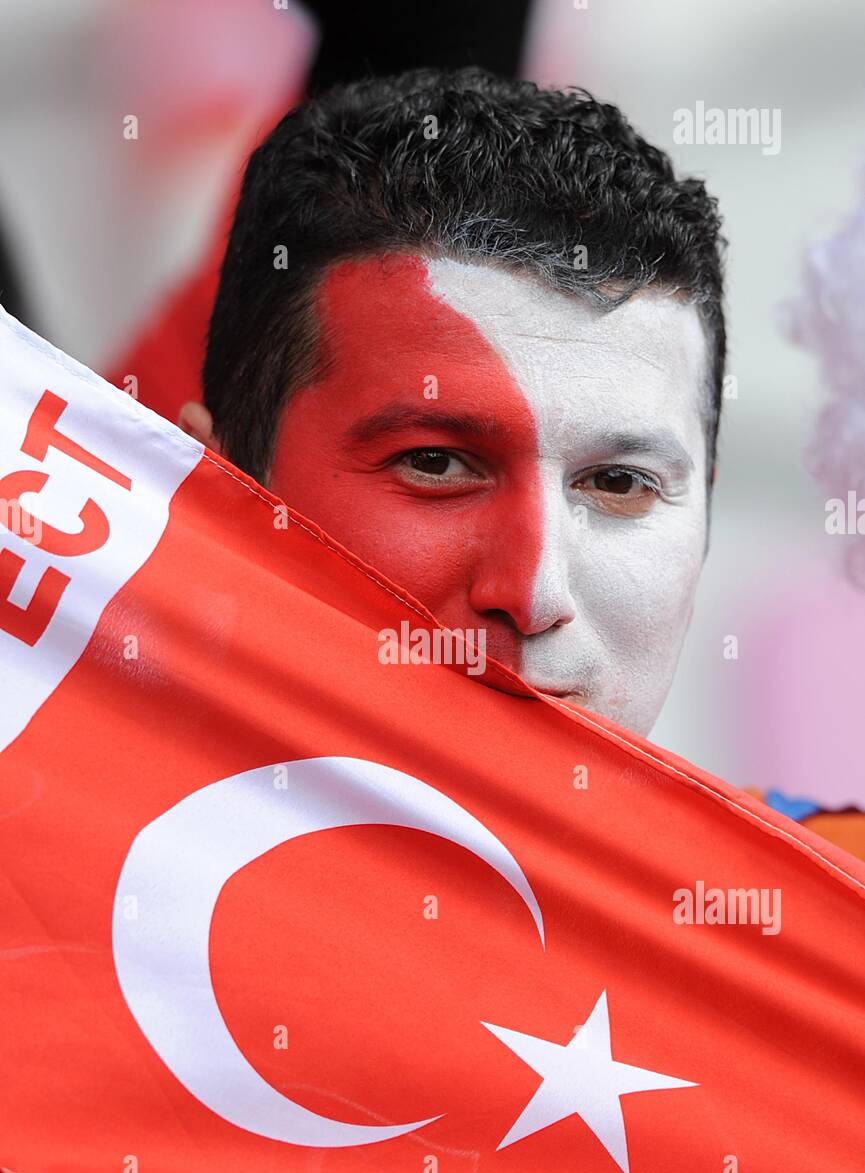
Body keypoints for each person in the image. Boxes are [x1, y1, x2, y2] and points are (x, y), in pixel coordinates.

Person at [178, 66, 726, 739]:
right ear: (212, 501)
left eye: (618, 482)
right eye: (434, 463)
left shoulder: (833, 847)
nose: (533, 596)